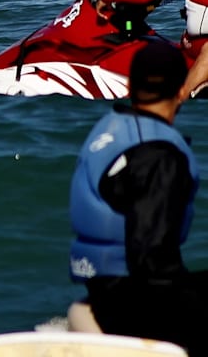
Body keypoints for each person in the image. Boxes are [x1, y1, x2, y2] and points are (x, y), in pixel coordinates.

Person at [68, 38, 208, 354]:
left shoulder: (111, 129)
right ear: (180, 88)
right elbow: (151, 258)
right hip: (131, 303)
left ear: (130, 85)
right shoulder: (158, 155)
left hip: (101, 288)